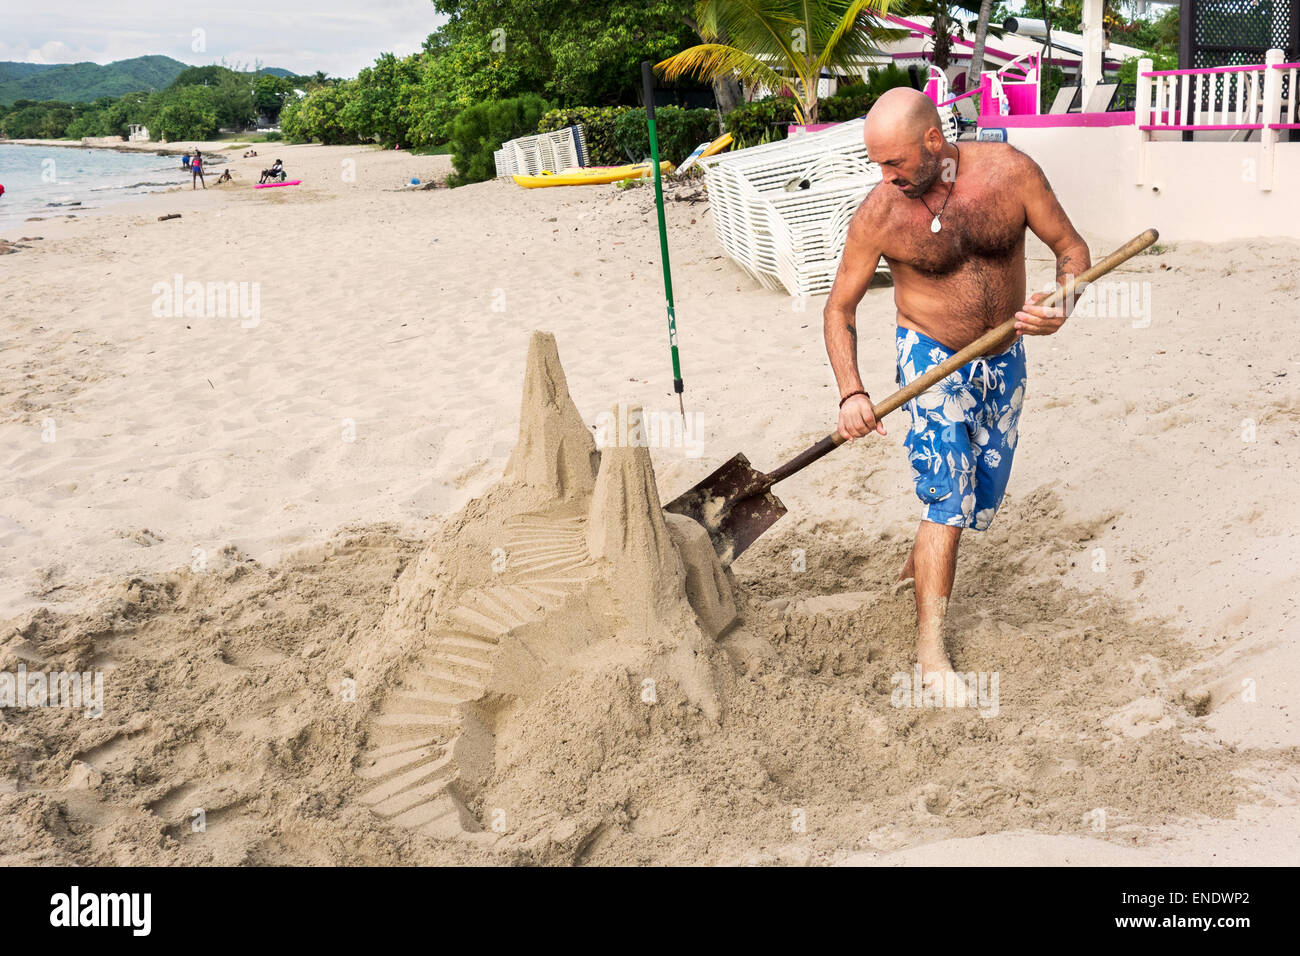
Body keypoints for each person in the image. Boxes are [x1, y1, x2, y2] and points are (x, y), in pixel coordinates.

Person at [822, 87, 1091, 681]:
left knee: (981, 495)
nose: (885, 176)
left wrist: (1063, 301)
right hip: (929, 359)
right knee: (949, 497)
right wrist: (852, 392)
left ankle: (912, 571)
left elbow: (1072, 250)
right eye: (877, 164)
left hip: (1004, 355)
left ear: (934, 140)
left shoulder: (1012, 173)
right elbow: (838, 309)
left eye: (894, 162)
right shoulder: (879, 215)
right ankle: (931, 656)